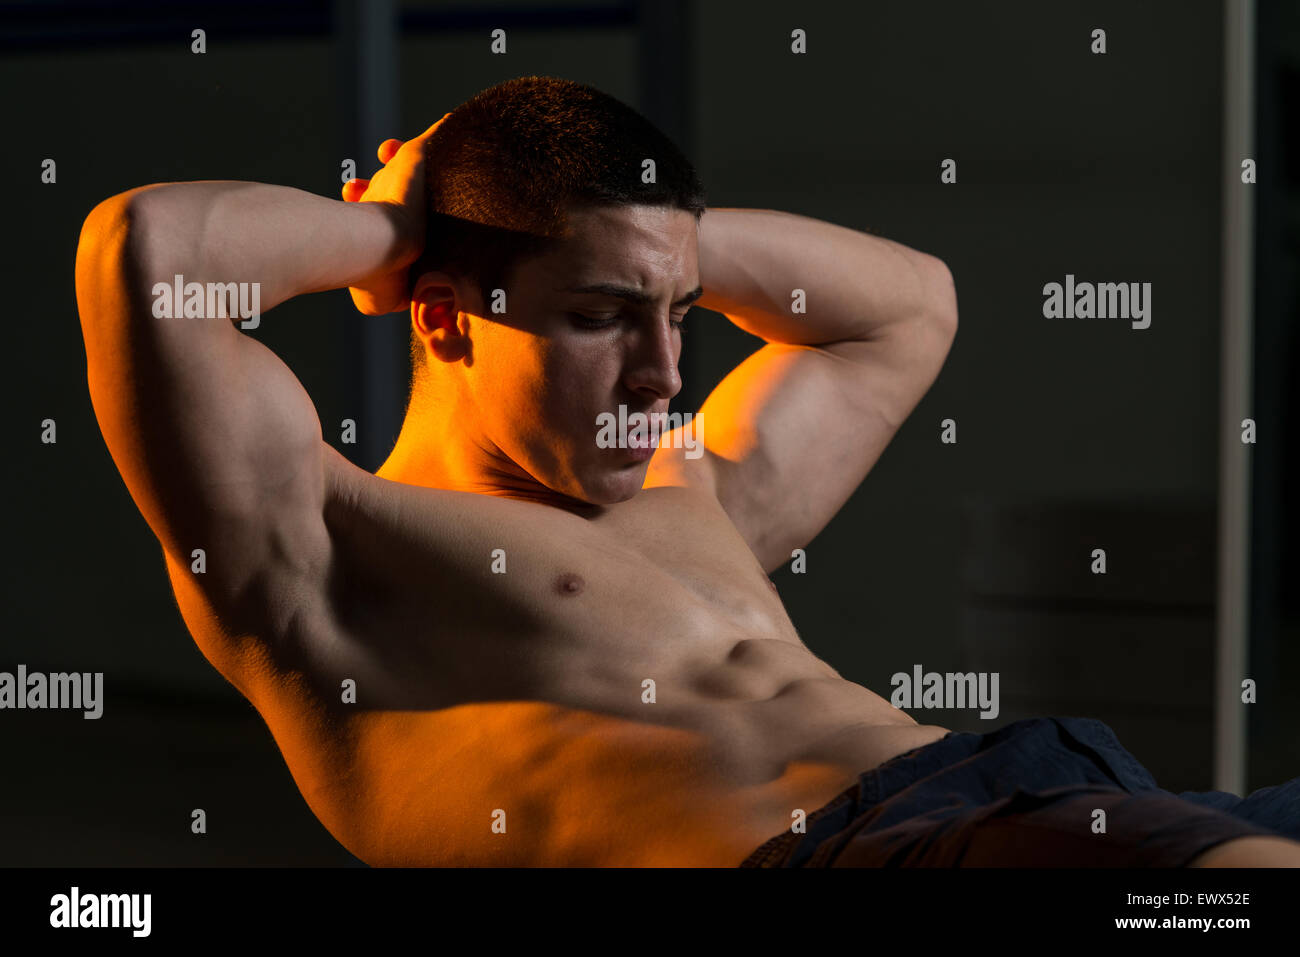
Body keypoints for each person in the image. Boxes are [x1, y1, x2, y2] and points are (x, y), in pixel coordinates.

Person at [75, 75, 1299, 866]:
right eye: (603, 315)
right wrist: (405, 221)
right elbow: (149, 246)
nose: (664, 374)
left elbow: (909, 305)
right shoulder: (327, 553)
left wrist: (652, 251)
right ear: (443, 320)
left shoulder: (690, 486)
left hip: (1044, 788)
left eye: (681, 313)